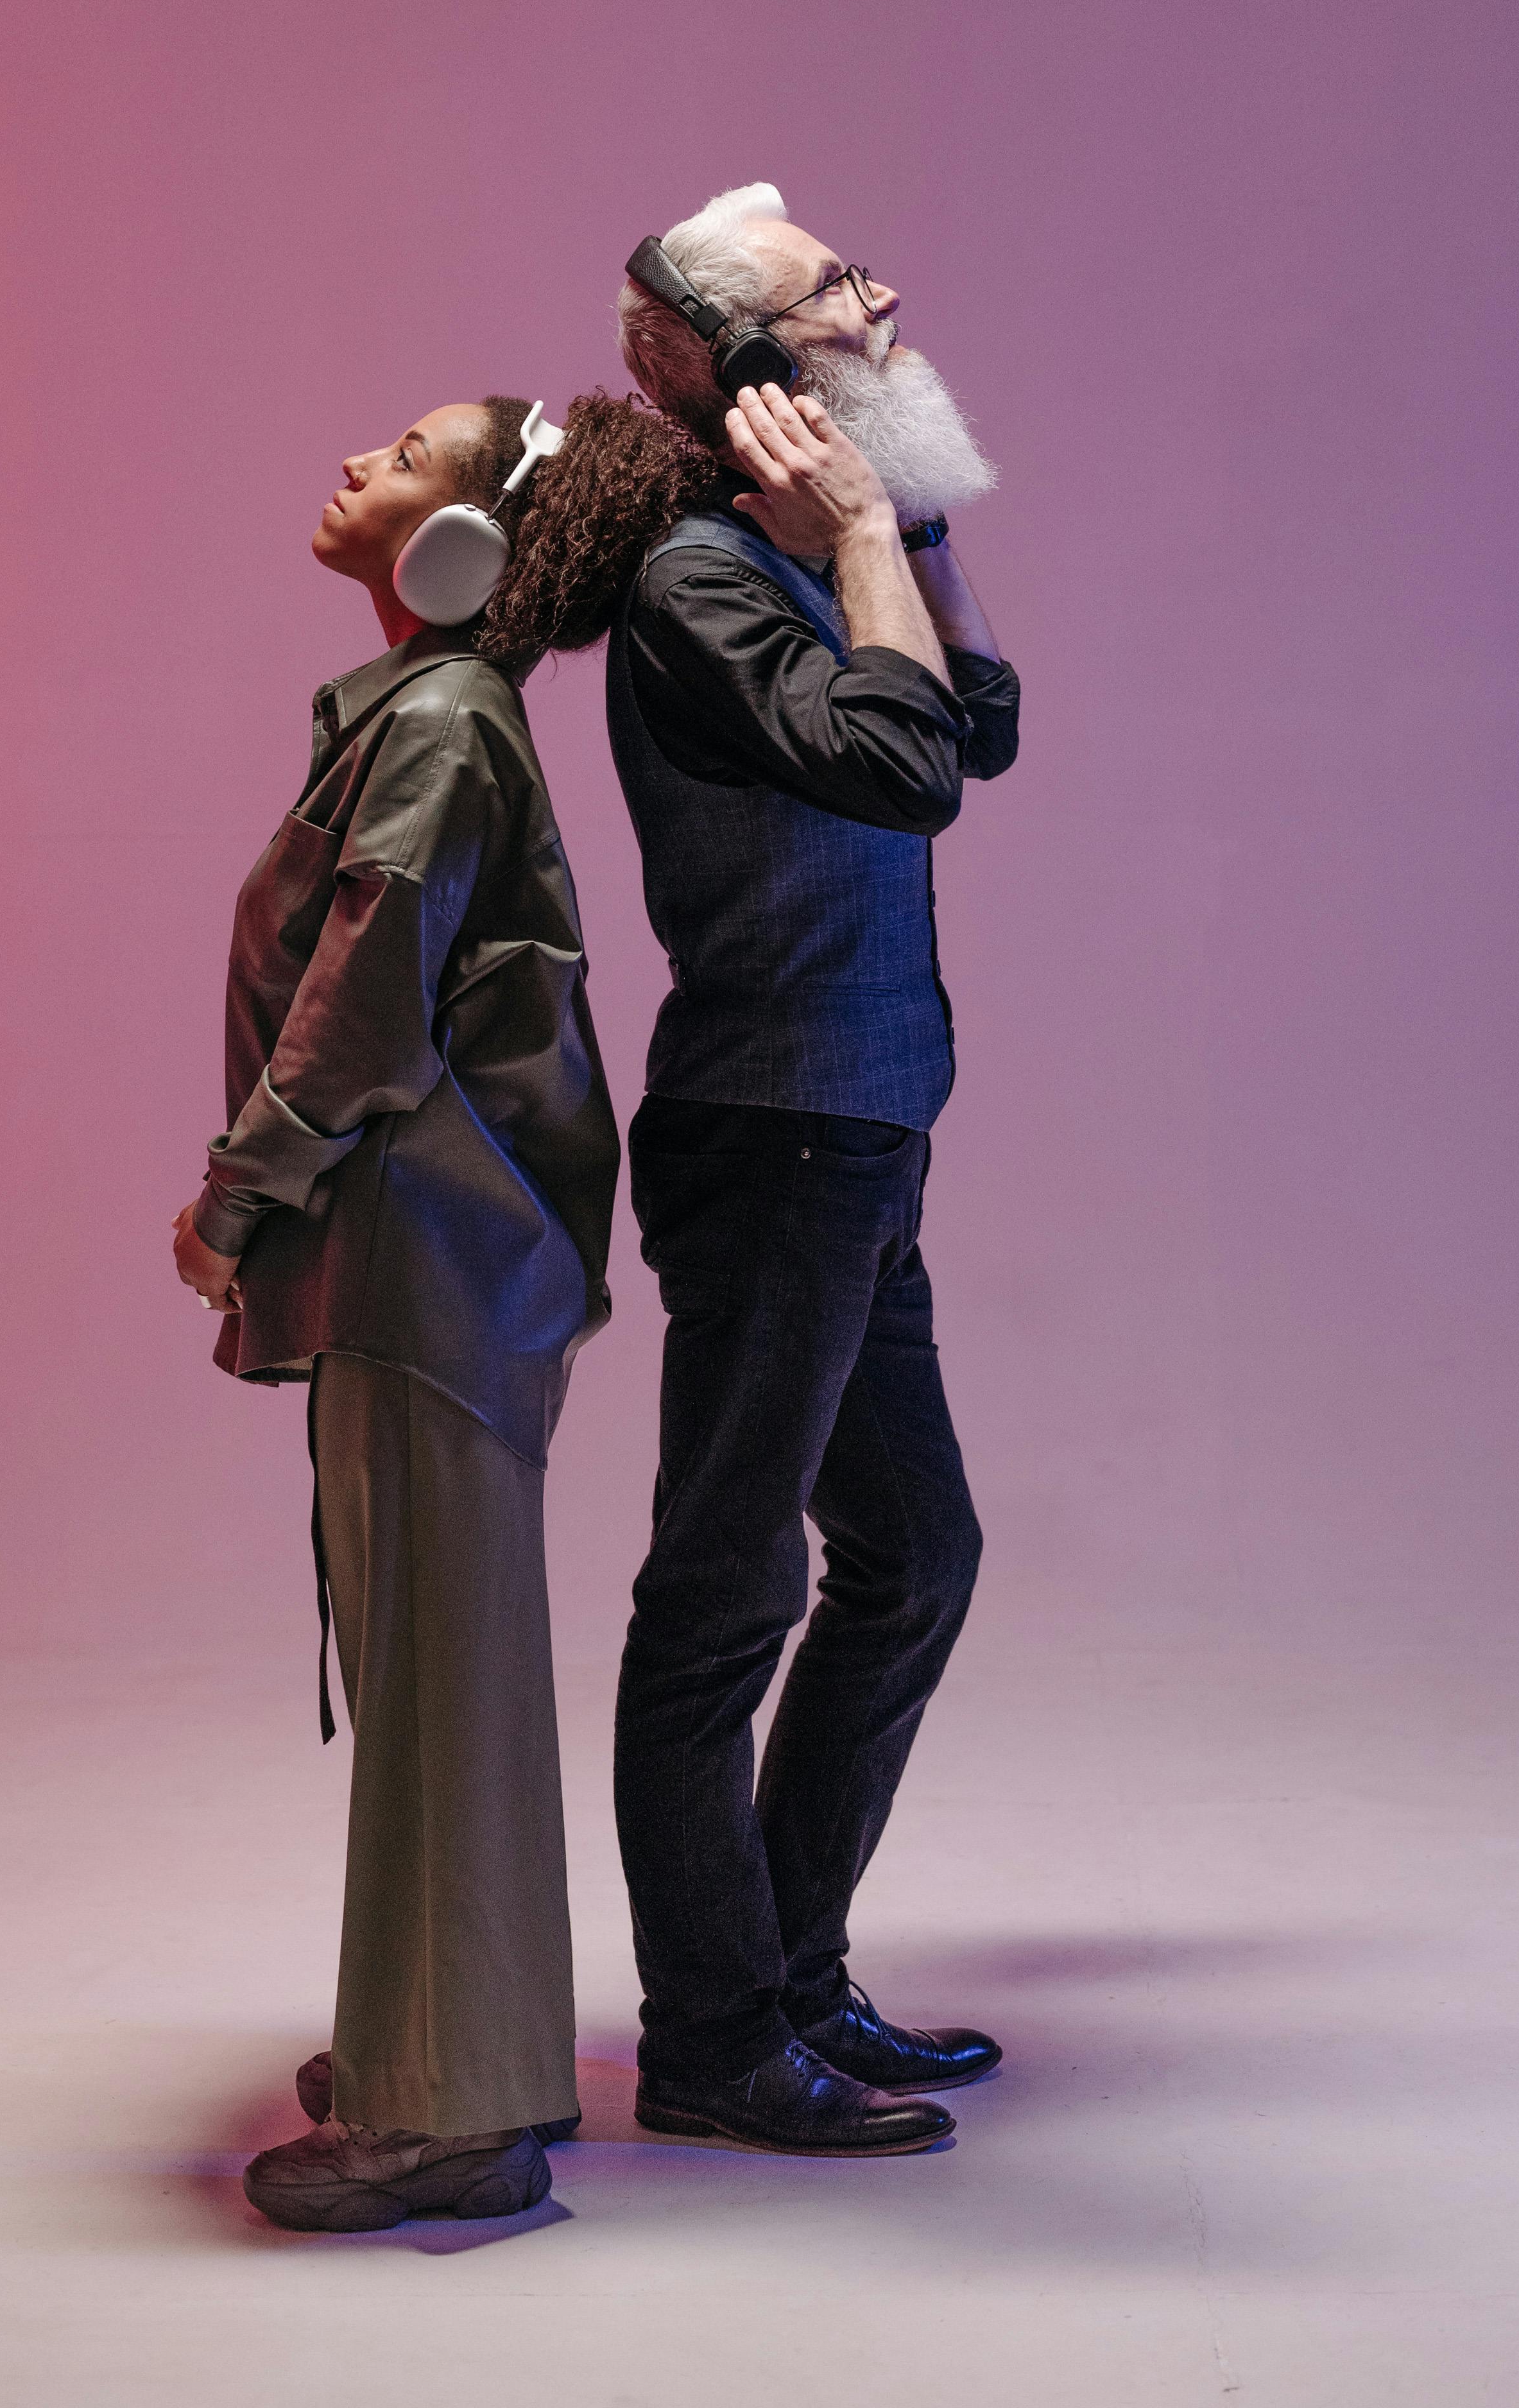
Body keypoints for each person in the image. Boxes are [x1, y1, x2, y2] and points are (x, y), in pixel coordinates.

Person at [170, 386, 716, 2233]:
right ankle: (453, 2040)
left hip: (428, 1255)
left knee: (439, 1685)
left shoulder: (442, 727)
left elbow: (368, 988)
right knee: (438, 1666)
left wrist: (240, 1191)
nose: (352, 463)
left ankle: (444, 2112)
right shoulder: (424, 716)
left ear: (463, 542)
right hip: (430, 1261)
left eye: (400, 459)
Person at [606, 182, 1021, 2156]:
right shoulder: (704, 580)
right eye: (837, 291)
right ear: (754, 371)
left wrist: (909, 531)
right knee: (719, 1599)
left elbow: (982, 723)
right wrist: (857, 533)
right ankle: (711, 2040)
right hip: (774, 1142)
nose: (886, 292)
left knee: (912, 1560)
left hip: (857, 1131)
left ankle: (789, 1979)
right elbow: (905, 769)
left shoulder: (815, 564)